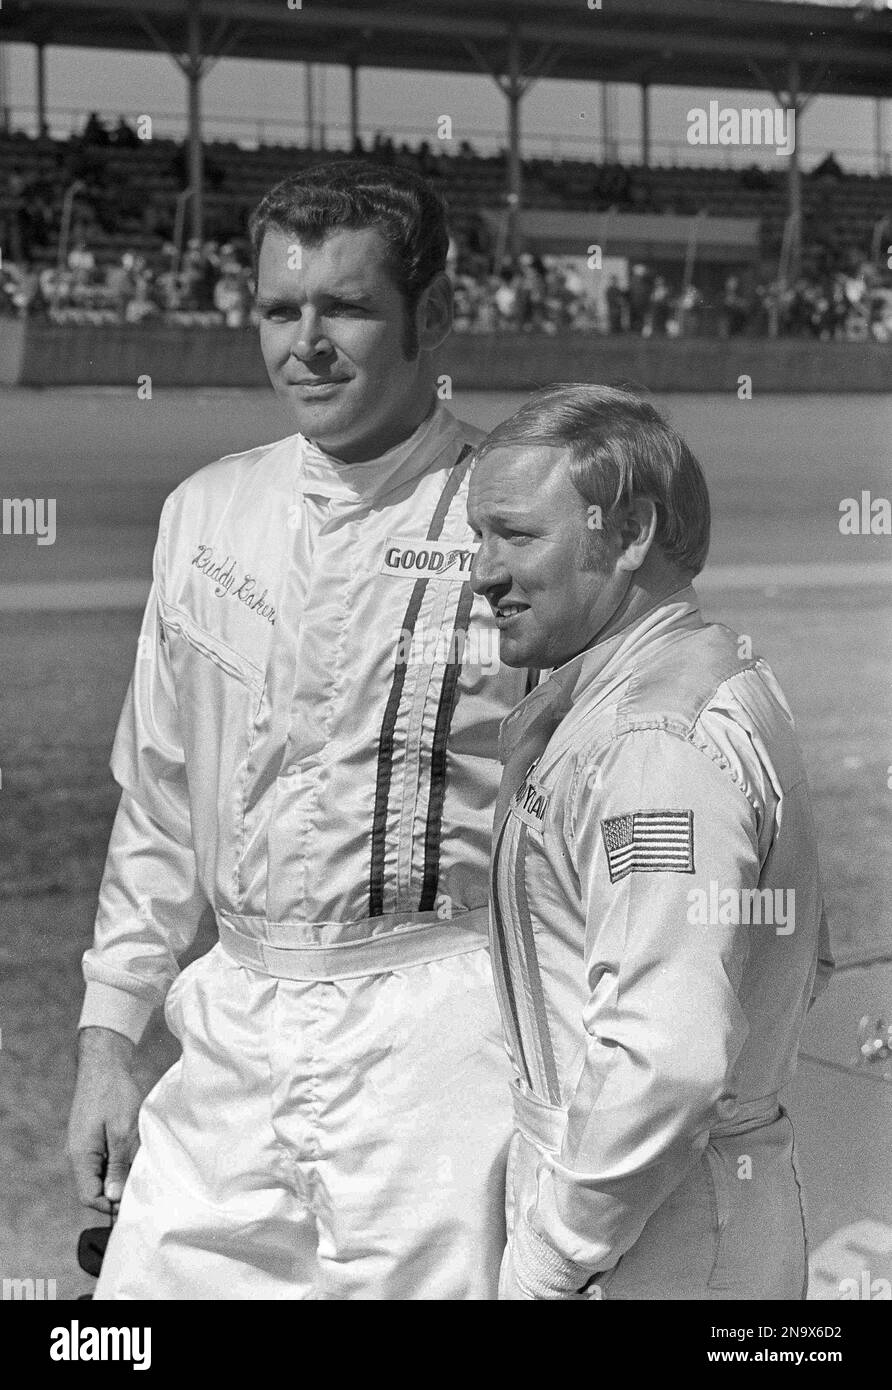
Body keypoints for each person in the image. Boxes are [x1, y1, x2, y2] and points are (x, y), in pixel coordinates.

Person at [66, 161, 532, 1300]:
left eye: (347, 307)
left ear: (434, 314)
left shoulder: (515, 514)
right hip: (231, 1029)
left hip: (442, 1038)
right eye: (282, 310)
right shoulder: (207, 513)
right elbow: (162, 806)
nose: (306, 343)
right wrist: (108, 1034)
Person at [466, 384, 834, 1300]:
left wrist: (551, 1258)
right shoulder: (708, 676)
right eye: (480, 535)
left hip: (649, 1237)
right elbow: (805, 958)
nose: (482, 570)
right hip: (689, 1206)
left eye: (516, 535)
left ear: (629, 533)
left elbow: (665, 1059)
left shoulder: (651, 742)